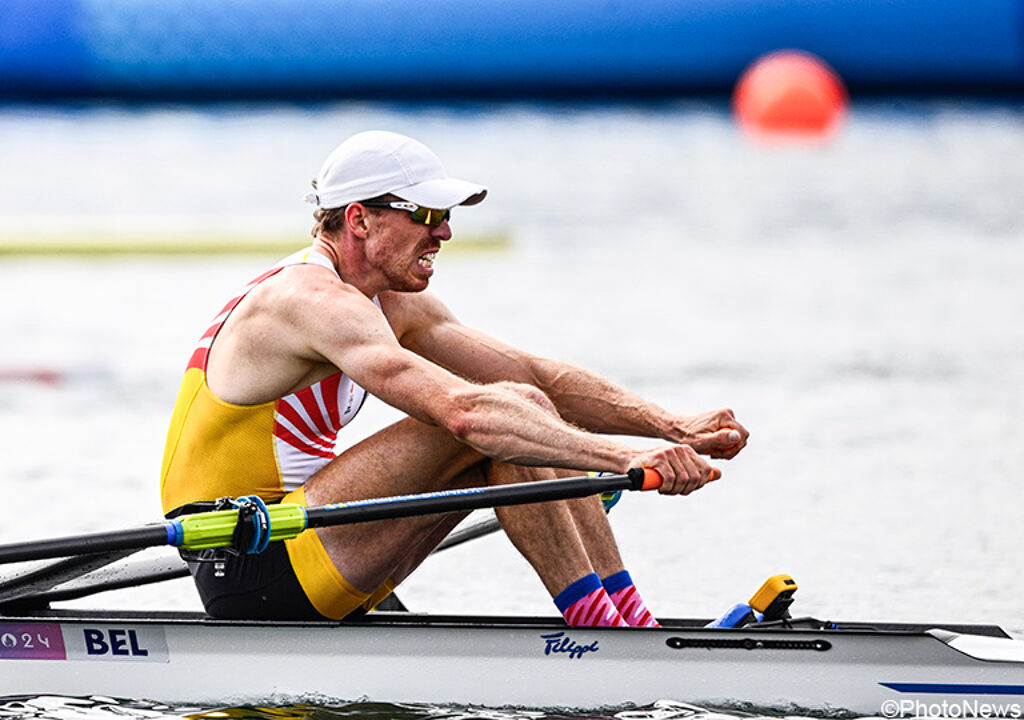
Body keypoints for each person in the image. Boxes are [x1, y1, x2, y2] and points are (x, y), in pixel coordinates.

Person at [160, 130, 748, 625]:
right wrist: (625, 458)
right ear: (359, 220)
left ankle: (626, 624)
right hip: (244, 555)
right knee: (493, 418)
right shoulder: (307, 300)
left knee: (521, 407)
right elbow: (469, 414)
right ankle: (611, 639)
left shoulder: (388, 303)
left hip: (312, 536)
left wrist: (669, 424)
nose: (444, 233)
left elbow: (535, 376)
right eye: (428, 215)